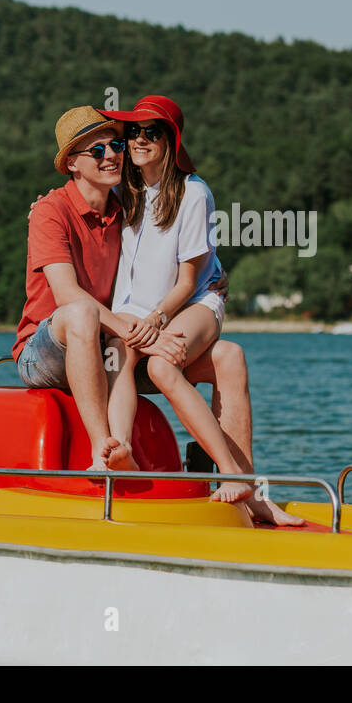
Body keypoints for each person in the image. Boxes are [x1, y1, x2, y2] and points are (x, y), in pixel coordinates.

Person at [12, 105, 189, 471]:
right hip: (45, 351)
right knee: (81, 312)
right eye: (96, 151)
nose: (110, 155)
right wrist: (141, 335)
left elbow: (177, 247)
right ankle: (102, 453)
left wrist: (212, 281)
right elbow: (67, 296)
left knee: (226, 357)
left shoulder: (130, 207)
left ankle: (241, 485)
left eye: (116, 146)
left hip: (108, 345)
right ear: (72, 164)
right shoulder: (51, 211)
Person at [103, 95, 253, 503]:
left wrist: (155, 320)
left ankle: (234, 476)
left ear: (171, 140)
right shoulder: (124, 188)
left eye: (151, 131)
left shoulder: (193, 193)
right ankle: (119, 450)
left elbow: (189, 281)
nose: (139, 139)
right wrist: (41, 206)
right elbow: (78, 193)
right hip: (134, 314)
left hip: (193, 304)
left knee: (163, 367)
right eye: (133, 131)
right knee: (226, 356)